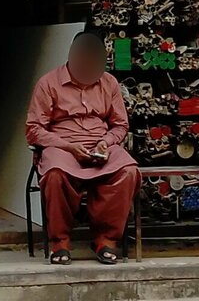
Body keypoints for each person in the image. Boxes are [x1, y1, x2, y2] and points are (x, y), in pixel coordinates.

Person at [25, 31, 139, 266]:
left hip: (99, 142)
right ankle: (60, 241)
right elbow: (34, 129)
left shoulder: (109, 83)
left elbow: (120, 124)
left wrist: (106, 142)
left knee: (128, 171)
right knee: (55, 174)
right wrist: (68, 146)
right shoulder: (48, 83)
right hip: (62, 145)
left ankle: (106, 239)